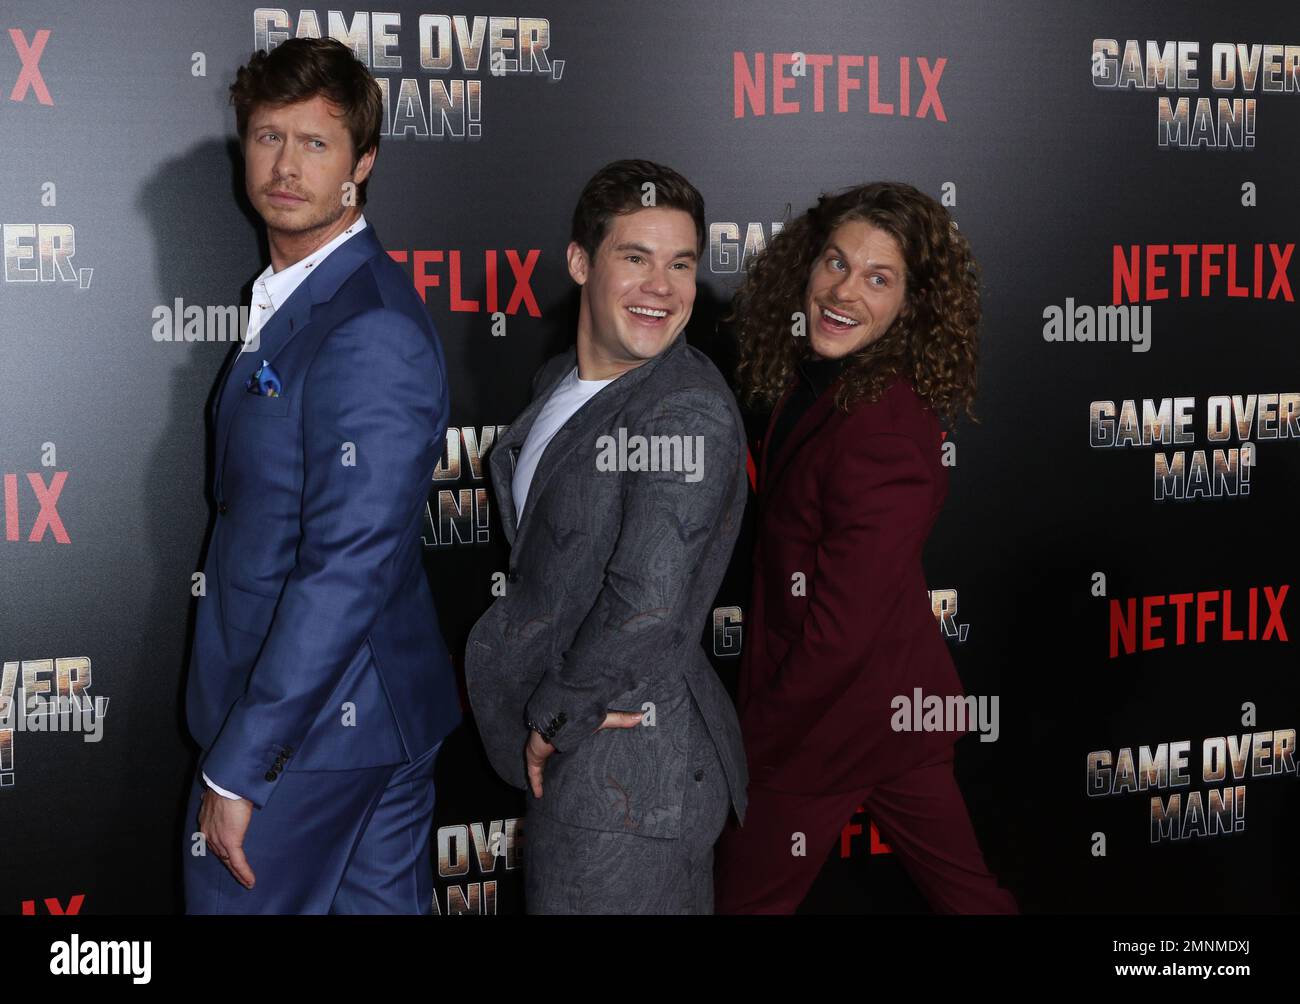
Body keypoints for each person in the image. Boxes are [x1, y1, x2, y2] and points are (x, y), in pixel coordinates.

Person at [183, 37, 461, 914]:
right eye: (269, 137)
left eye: (317, 142)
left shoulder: (367, 322)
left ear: (362, 164)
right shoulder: (299, 295)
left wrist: (243, 762)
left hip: (310, 734)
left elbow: (348, 564)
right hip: (360, 720)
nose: (287, 164)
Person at [714, 181, 1018, 914]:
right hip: (896, 708)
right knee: (968, 897)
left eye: (879, 278)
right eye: (835, 263)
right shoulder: (820, 379)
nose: (843, 291)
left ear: (912, 305)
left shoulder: (884, 432)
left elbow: (839, 633)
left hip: (826, 725)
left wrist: (756, 744)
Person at [465, 159, 748, 914]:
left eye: (680, 264)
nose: (662, 287)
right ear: (580, 262)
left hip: (630, 770)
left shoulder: (685, 410)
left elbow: (647, 602)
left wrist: (555, 718)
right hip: (591, 758)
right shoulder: (561, 379)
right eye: (635, 258)